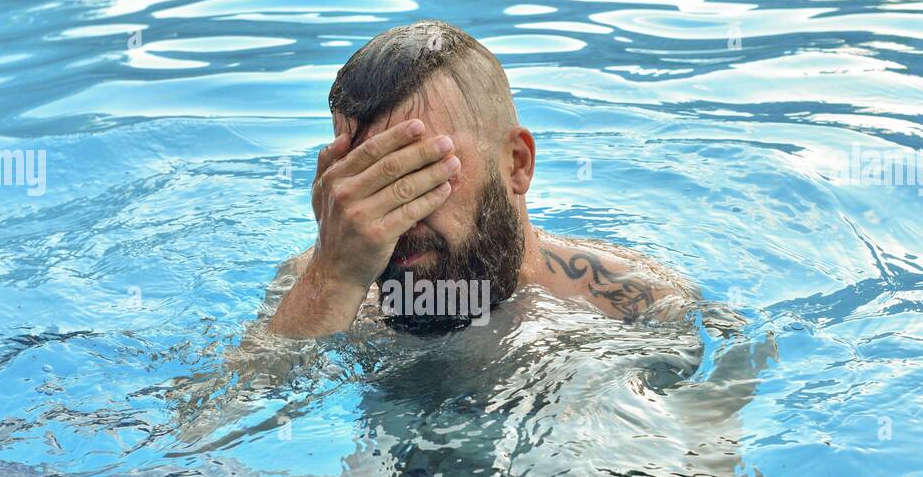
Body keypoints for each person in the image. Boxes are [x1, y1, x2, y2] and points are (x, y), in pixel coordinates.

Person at [266, 20, 696, 337]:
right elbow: (223, 430)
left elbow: (704, 451)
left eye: (423, 173)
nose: (400, 215)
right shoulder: (319, 282)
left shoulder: (636, 308)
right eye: (369, 181)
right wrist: (335, 279)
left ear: (516, 164)